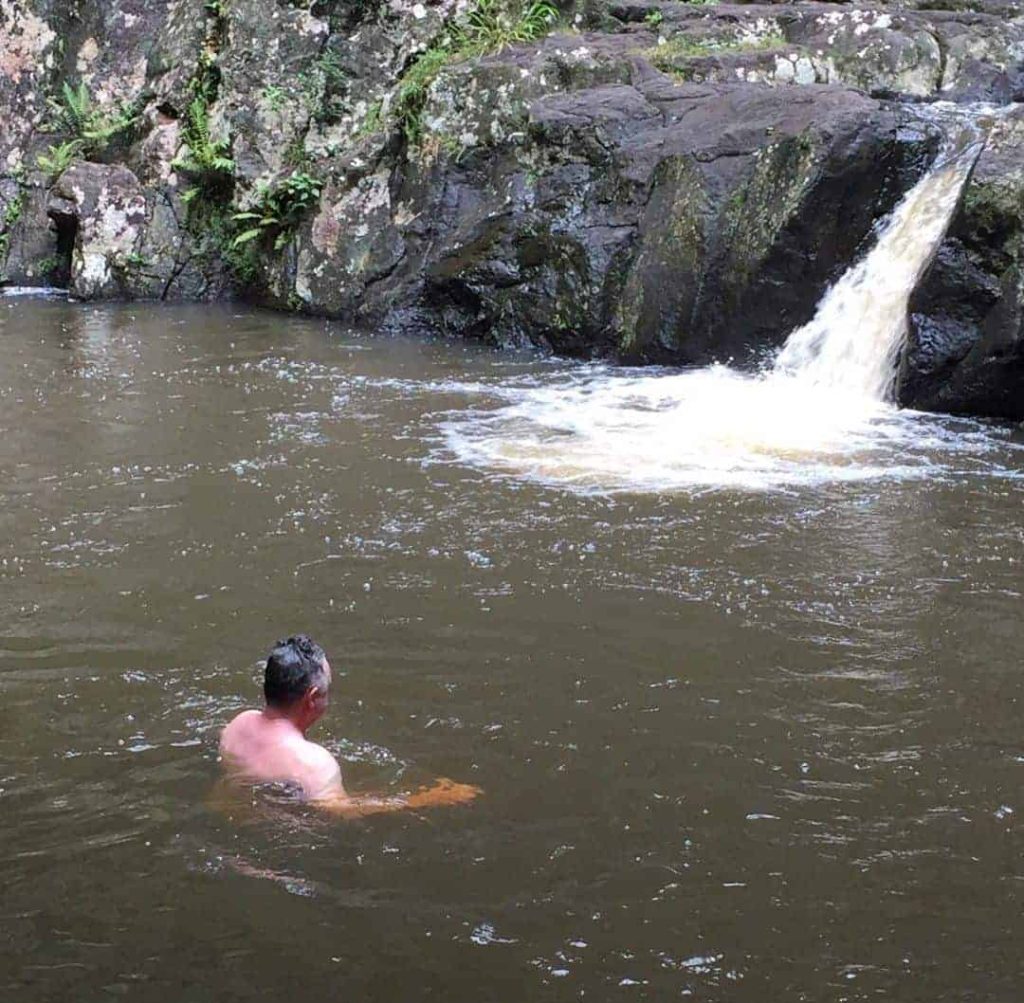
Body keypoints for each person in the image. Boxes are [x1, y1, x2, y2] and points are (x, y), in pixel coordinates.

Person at [219, 634, 480, 816]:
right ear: (312, 698)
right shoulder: (314, 764)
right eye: (328, 690)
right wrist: (427, 799)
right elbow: (343, 812)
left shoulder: (238, 724)